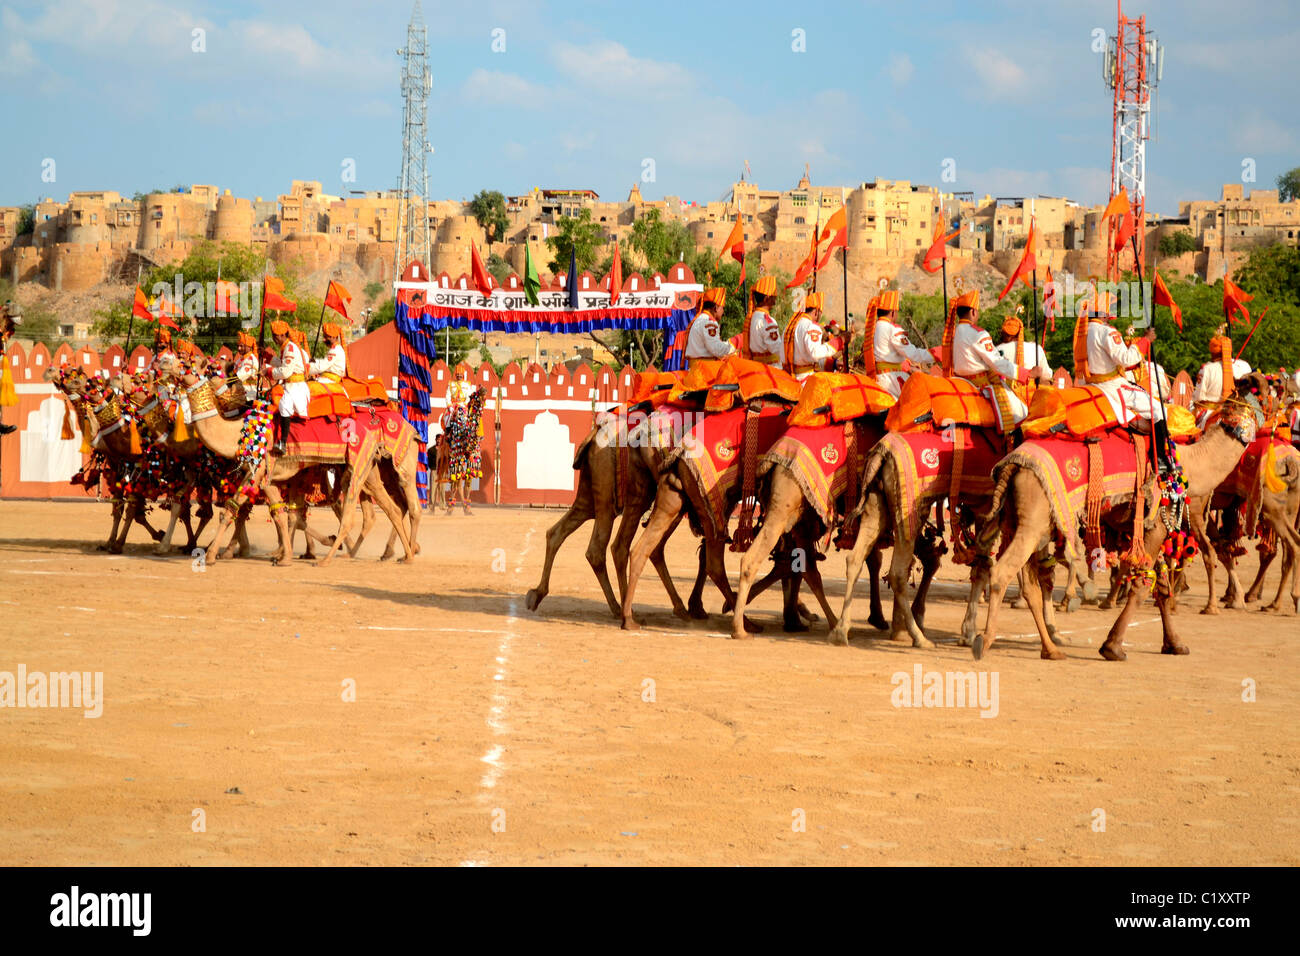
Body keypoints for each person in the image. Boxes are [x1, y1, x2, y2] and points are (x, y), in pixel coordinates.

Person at [1074, 292, 1164, 427]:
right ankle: (1161, 447)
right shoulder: (1107, 331)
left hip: (1090, 384)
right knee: (1159, 409)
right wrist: (1145, 341)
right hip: (1112, 387)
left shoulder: (1084, 332)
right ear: (1103, 313)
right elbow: (1125, 359)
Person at [945, 290, 1028, 435]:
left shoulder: (955, 331)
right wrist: (1024, 373)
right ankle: (1010, 442)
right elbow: (997, 363)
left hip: (960, 381)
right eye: (977, 311)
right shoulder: (978, 333)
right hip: (980, 384)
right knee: (1019, 411)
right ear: (972, 312)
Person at [861, 289, 934, 397]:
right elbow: (913, 354)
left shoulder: (874, 328)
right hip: (893, 379)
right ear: (893, 312)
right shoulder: (891, 329)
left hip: (880, 377)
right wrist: (935, 354)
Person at [266, 319, 309, 455]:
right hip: (289, 385)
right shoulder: (287, 347)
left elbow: (285, 371)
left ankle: (283, 443)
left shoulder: (290, 348)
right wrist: (268, 357)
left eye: (275, 336)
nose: (274, 339)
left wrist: (268, 371)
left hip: (295, 387)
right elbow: (283, 363)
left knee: (284, 405)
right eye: (273, 336)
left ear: (283, 334)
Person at [1192, 329, 1251, 423]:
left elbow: (1199, 397)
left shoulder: (1207, 369)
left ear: (1213, 353)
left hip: (1210, 414)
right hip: (1239, 414)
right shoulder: (1243, 366)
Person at [782, 291, 837, 381]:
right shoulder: (811, 326)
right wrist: (838, 342)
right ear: (816, 312)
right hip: (804, 379)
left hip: (787, 376)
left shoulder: (789, 327)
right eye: (820, 312)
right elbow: (815, 353)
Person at [684, 287, 735, 370]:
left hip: (698, 369)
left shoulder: (702, 319)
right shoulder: (709, 322)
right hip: (704, 372)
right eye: (722, 308)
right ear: (716, 308)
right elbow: (717, 350)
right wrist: (735, 342)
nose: (723, 312)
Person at [994, 313, 1052, 385]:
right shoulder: (1036, 349)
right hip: (1031, 394)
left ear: (1003, 333)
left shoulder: (996, 350)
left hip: (1004, 393)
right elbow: (1046, 377)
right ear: (1020, 332)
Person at [744, 276, 782, 367]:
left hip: (757, 367)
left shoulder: (753, 317)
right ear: (767, 298)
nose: (775, 298)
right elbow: (777, 348)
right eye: (774, 296)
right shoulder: (766, 320)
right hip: (770, 369)